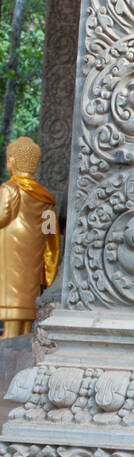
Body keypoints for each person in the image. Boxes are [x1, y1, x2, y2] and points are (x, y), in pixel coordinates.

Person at [0, 137, 59, 339]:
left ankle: (9, 339)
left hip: (9, 255)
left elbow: (1, 216)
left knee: (9, 298)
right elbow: (51, 234)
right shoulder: (46, 199)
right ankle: (22, 337)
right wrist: (50, 269)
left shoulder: (9, 190)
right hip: (32, 258)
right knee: (26, 300)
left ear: (14, 162)